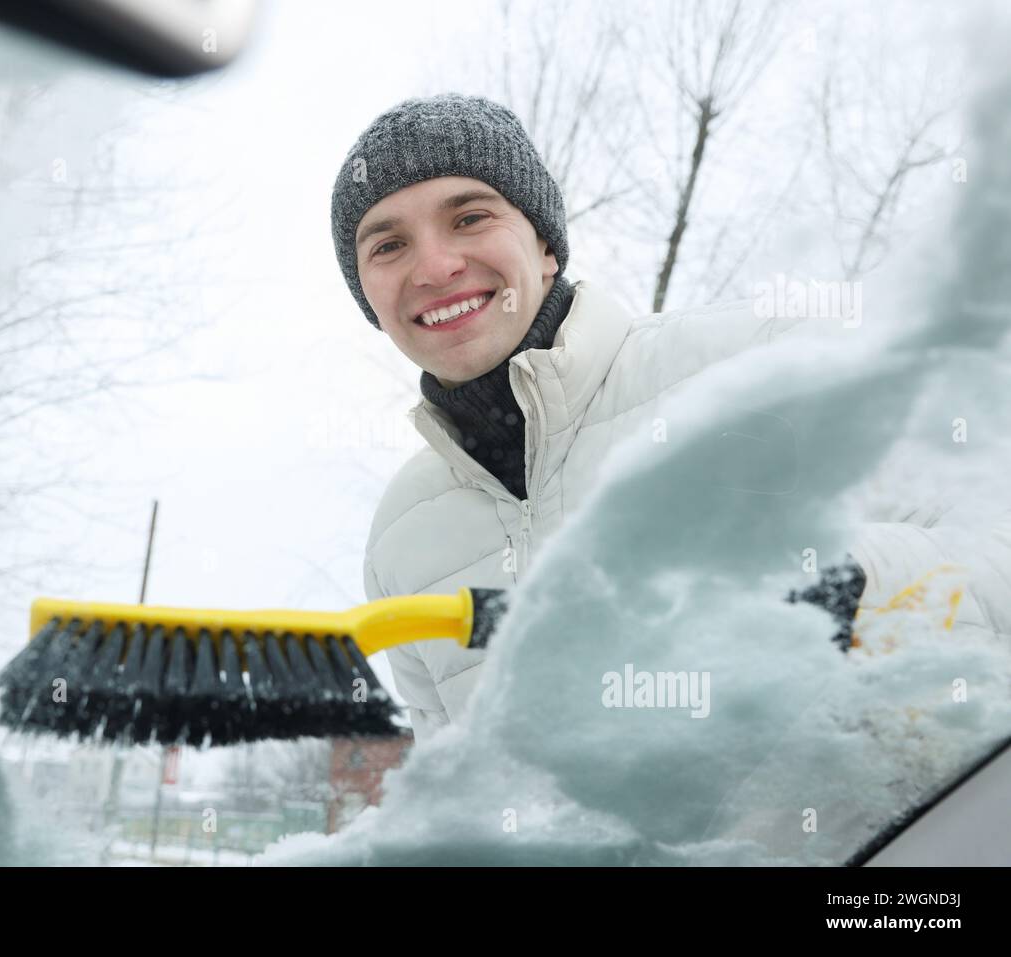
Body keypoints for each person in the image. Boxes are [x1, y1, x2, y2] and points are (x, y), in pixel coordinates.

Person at [330, 93, 1011, 745]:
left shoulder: (761, 367)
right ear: (368, 295)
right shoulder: (402, 534)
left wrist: (834, 589)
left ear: (544, 244)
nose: (436, 265)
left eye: (470, 217)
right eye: (388, 246)